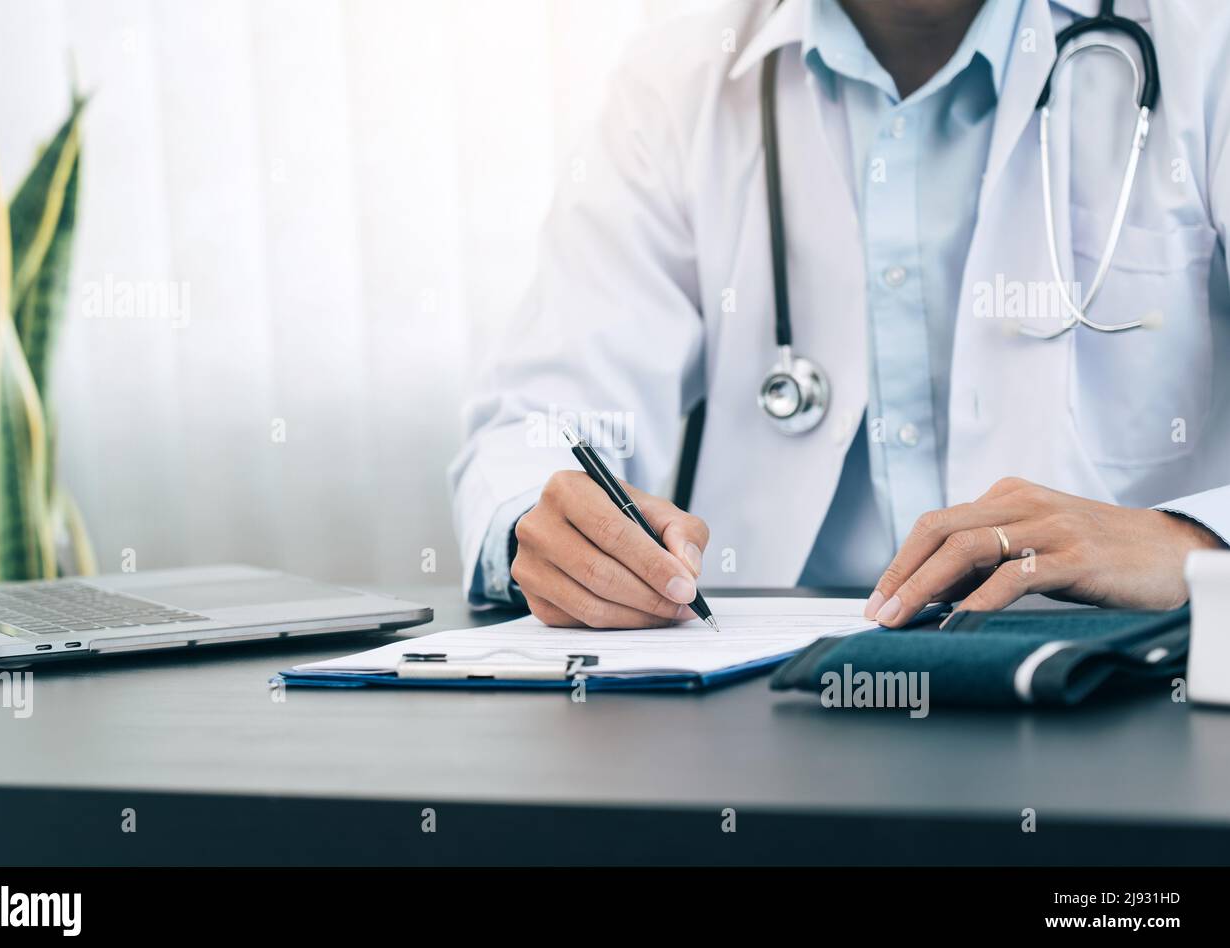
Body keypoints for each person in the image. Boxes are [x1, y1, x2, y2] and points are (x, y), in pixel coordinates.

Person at [449, 0, 1230, 629]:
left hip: (1126, 676)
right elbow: (546, 418)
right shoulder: (677, 82)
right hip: (768, 697)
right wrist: (544, 526)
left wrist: (1191, 541)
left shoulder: (1205, 50)